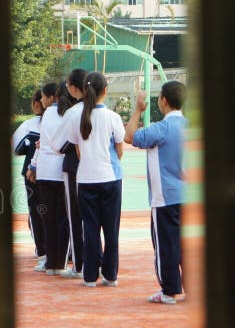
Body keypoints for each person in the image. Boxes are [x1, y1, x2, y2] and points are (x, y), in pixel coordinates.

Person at [60, 72, 125, 287]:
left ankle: (89, 276)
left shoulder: (76, 115)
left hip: (86, 179)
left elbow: (76, 149)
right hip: (110, 178)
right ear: (105, 91)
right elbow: (120, 150)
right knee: (111, 229)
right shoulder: (113, 117)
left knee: (90, 228)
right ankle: (110, 275)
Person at [124, 81, 187, 304]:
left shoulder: (161, 129)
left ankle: (169, 290)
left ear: (163, 101)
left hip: (165, 197)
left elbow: (129, 136)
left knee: (165, 244)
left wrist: (138, 110)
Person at [29, 82, 70, 277]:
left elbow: (42, 144)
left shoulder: (47, 115)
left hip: (45, 172)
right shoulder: (69, 113)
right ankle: (61, 263)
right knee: (63, 219)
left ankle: (50, 263)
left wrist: (33, 166)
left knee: (48, 218)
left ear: (53, 96)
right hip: (61, 172)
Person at [51, 69, 89, 279]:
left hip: (75, 169)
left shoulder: (73, 113)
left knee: (75, 217)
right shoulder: (105, 112)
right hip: (102, 172)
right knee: (94, 219)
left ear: (74, 87)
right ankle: (99, 262)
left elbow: (57, 144)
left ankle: (80, 265)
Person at [13, 90, 46, 270]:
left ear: (35, 104)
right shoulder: (65, 120)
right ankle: (67, 250)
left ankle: (43, 251)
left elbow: (16, 147)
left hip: (32, 175)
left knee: (36, 212)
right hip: (60, 174)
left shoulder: (30, 125)